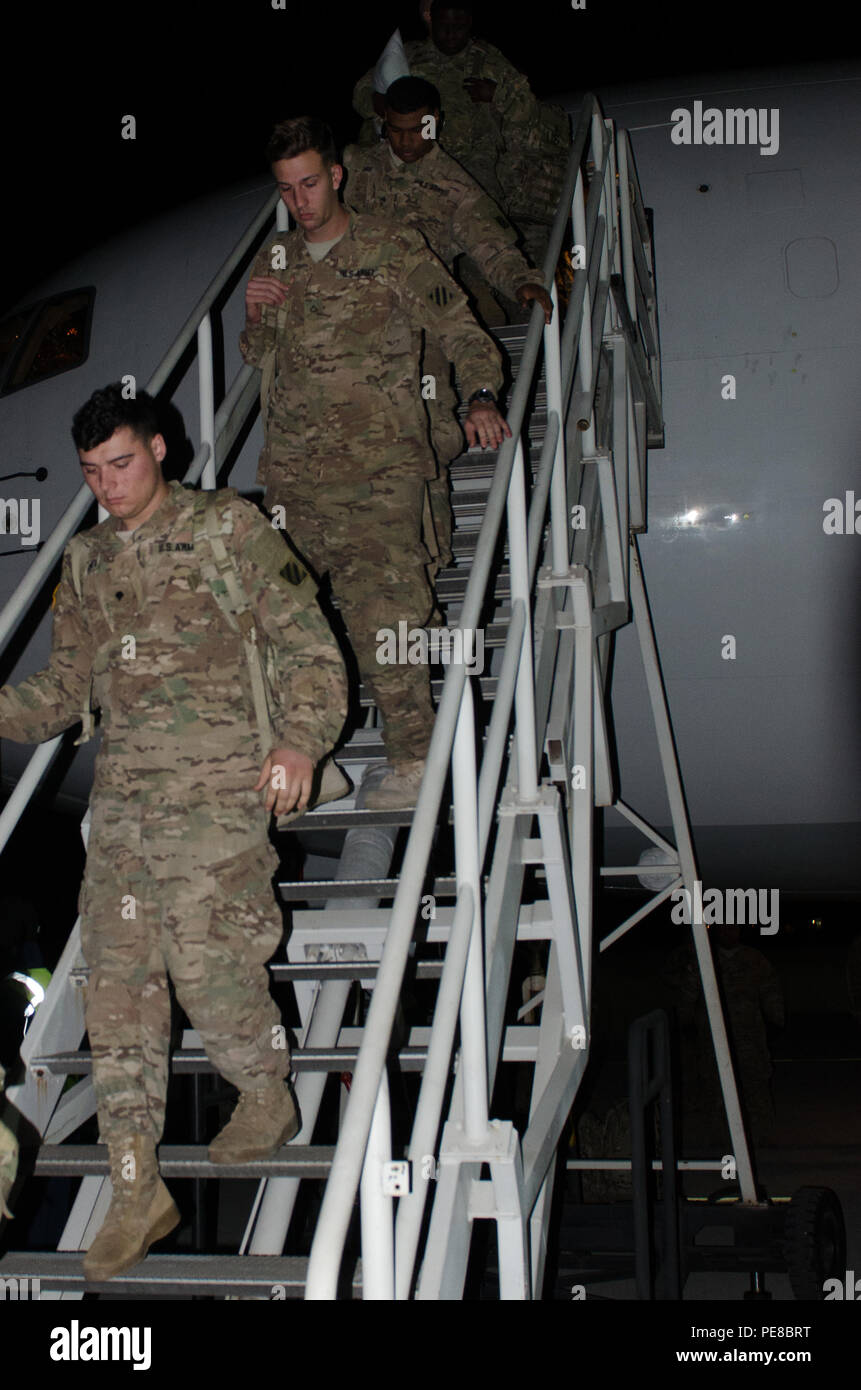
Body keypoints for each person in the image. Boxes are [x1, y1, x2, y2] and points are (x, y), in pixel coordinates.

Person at [0, 384, 348, 1279]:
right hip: (121, 804)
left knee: (206, 962)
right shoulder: (83, 562)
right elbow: (61, 691)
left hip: (221, 791)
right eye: (90, 472)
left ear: (160, 448)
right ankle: (133, 1188)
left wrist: (302, 743)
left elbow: (309, 644)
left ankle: (264, 1090)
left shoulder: (230, 529)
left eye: (120, 464)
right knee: (117, 992)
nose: (107, 486)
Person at [240, 116, 509, 809]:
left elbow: (459, 327)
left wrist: (480, 395)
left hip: (380, 473)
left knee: (385, 618)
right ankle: (316, 762)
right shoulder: (275, 257)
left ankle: (414, 763)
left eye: (308, 184)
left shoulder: (392, 247)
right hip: (294, 479)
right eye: (285, 191)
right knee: (276, 621)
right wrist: (254, 316)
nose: (299, 202)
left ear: (335, 176)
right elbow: (257, 355)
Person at [343, 74, 552, 569]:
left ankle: (427, 561)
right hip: (353, 328)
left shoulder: (455, 185)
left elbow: (493, 245)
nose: (407, 140)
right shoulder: (355, 170)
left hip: (422, 330)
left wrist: (521, 281)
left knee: (427, 437)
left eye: (418, 129)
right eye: (396, 131)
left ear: (436, 124)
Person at [352, 0, 569, 261]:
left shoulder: (488, 60)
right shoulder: (409, 56)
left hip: (477, 162)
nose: (452, 34)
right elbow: (363, 93)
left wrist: (496, 95)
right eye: (445, 27)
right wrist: (382, 103)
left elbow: (527, 109)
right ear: (432, 21)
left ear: (469, 23)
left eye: (459, 27)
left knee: (485, 233)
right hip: (420, 162)